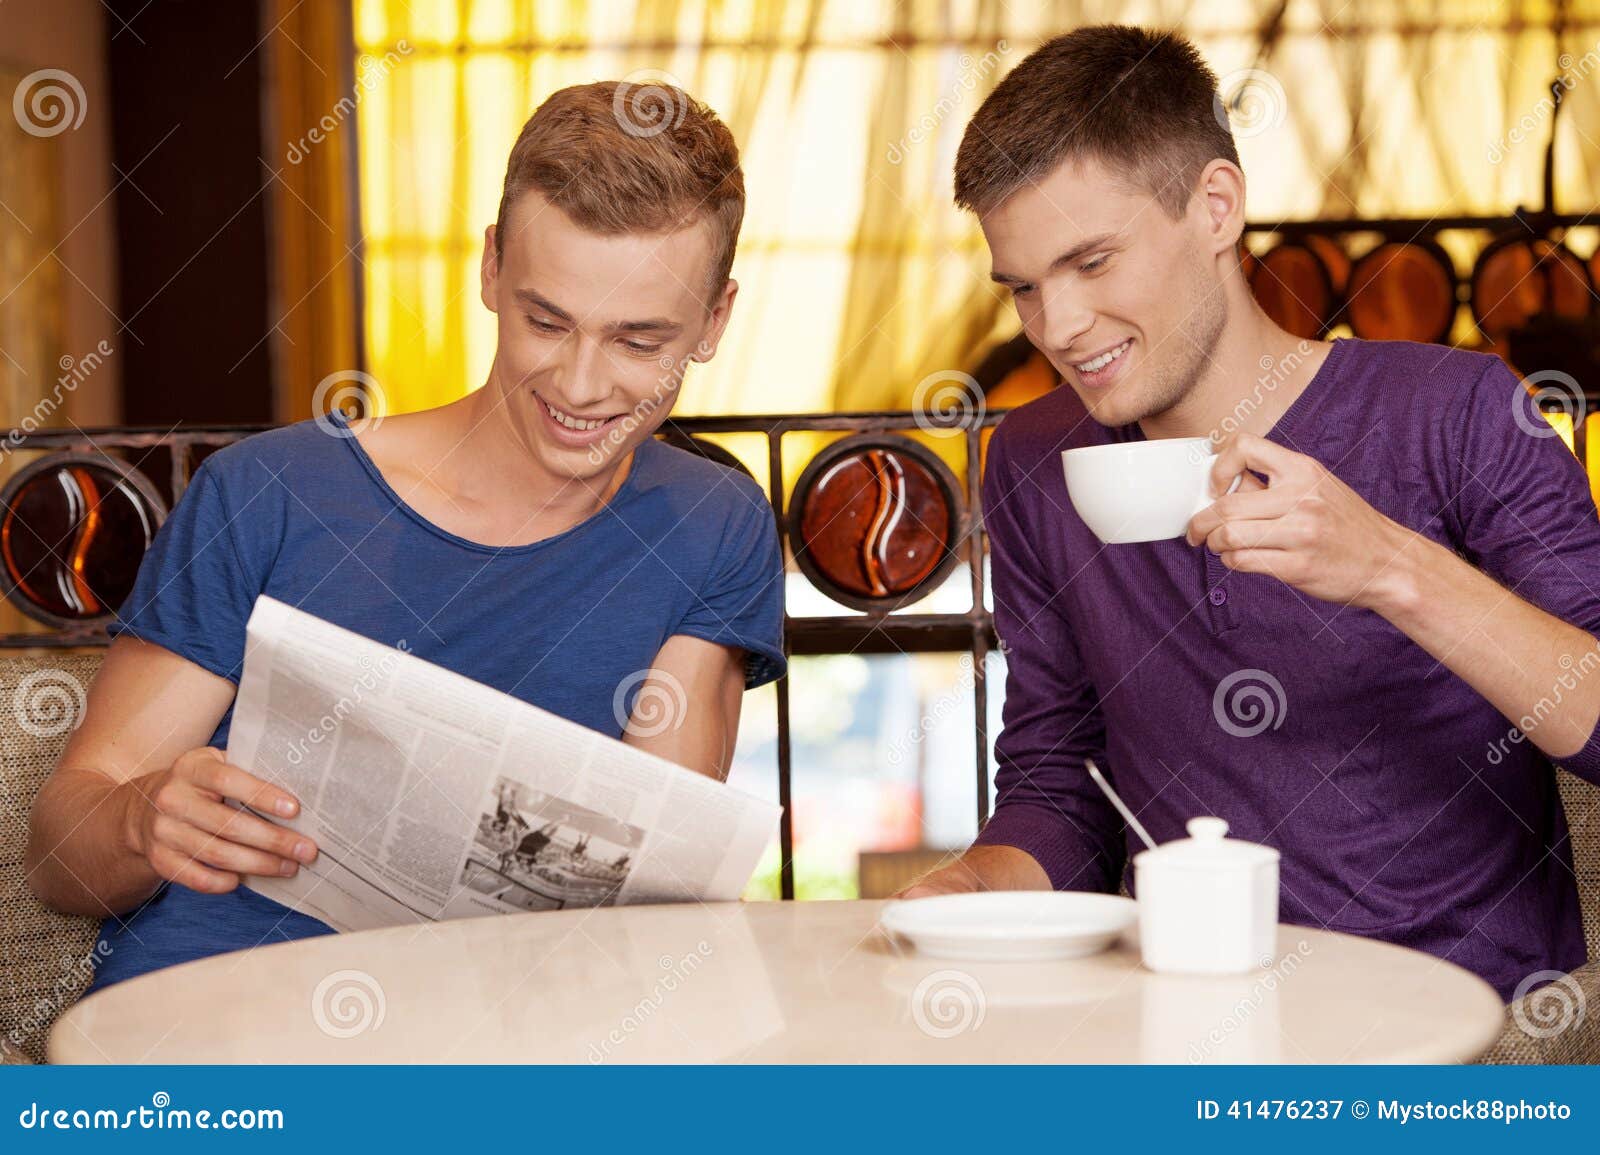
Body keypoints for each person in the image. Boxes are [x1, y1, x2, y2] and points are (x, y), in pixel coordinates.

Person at [25, 79, 785, 990]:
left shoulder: (710, 523)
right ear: (491, 268)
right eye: (547, 322)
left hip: (500, 1044)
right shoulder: (270, 493)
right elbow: (57, 859)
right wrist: (142, 819)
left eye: (639, 341)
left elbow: (655, 883)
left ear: (714, 320)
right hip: (217, 1021)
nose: (583, 386)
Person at [901, 25, 1600, 1002]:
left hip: (1470, 1025)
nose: (1056, 328)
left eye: (1092, 263)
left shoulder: (1459, 412)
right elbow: (1057, 783)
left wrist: (1392, 569)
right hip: (1181, 1012)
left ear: (1216, 207)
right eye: (1023, 287)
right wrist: (972, 885)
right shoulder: (1030, 460)